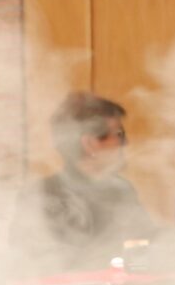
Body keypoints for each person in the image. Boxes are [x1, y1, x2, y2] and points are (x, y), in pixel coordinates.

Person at [31, 90, 156, 257]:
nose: (126, 142)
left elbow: (146, 241)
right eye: (119, 134)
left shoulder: (122, 190)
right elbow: (39, 263)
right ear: (90, 144)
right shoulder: (42, 196)